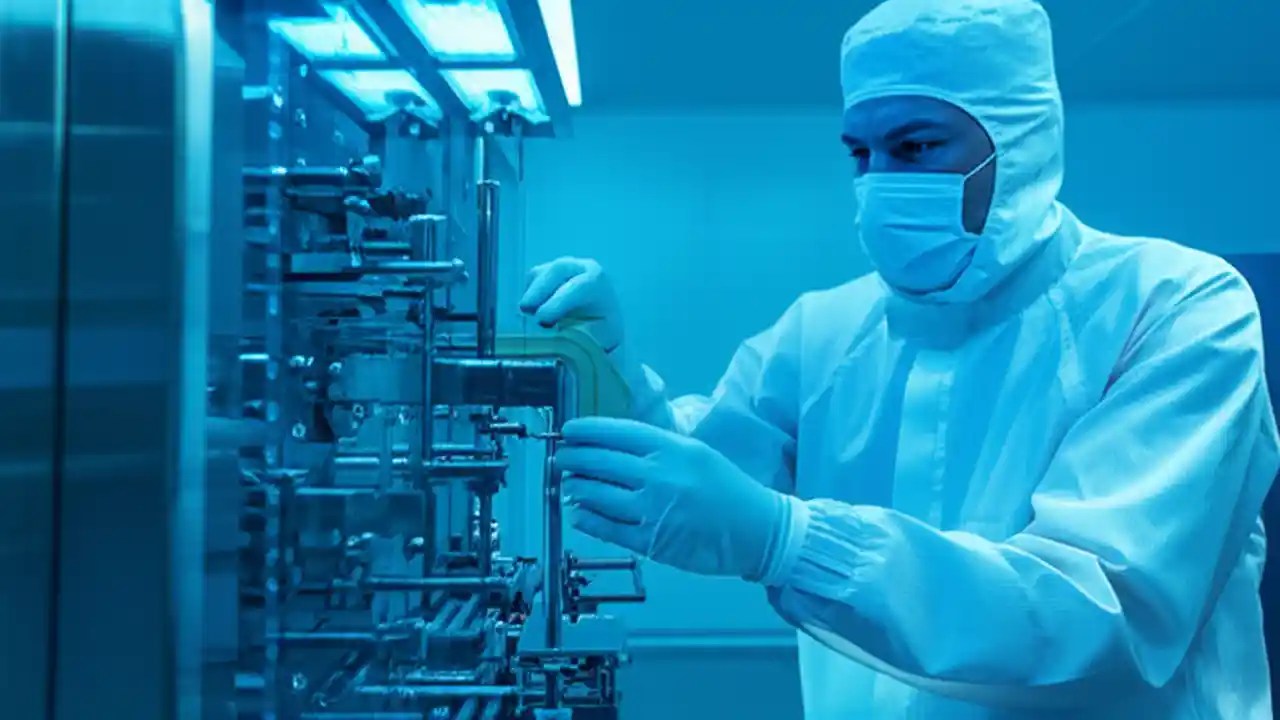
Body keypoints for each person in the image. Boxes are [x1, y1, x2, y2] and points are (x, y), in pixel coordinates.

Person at [518, 0, 1280, 717]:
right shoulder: (824, 331)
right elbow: (711, 473)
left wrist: (787, 542)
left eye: (916, 146)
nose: (880, 182)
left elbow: (1097, 610)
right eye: (861, 153)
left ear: (1019, 143)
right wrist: (609, 370)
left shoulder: (1177, 307)